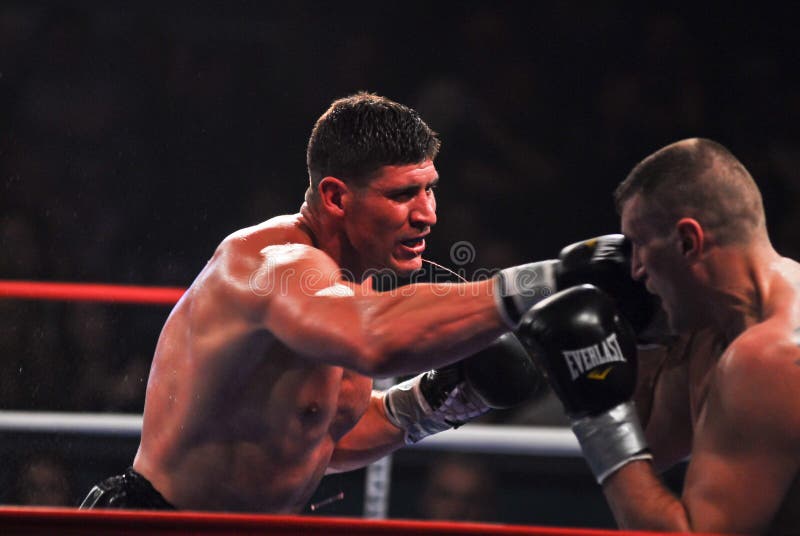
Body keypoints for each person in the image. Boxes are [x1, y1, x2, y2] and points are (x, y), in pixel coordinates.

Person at [79, 92, 555, 513]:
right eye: (403, 194)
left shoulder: (354, 285)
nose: (427, 213)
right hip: (159, 522)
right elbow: (372, 339)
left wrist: (430, 402)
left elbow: (320, 436)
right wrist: (542, 283)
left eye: (429, 188)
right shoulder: (274, 265)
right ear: (335, 197)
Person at [519, 138, 800, 534]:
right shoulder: (708, 331)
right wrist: (641, 333)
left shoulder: (769, 355)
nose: (633, 270)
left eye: (638, 245)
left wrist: (597, 411)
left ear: (688, 241)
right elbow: (649, 452)